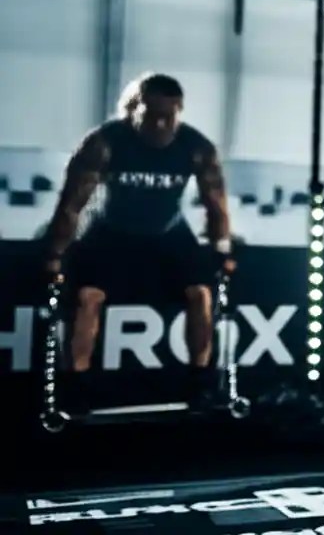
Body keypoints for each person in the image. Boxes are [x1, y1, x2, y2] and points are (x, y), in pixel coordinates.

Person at [43, 72, 234, 408]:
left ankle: (201, 384)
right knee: (88, 298)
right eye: (151, 116)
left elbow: (215, 203)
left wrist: (222, 248)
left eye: (168, 117)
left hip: (168, 234)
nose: (160, 125)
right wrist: (56, 254)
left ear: (179, 112)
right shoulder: (103, 142)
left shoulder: (196, 147)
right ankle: (75, 387)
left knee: (202, 294)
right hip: (110, 233)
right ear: (133, 110)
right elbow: (72, 203)